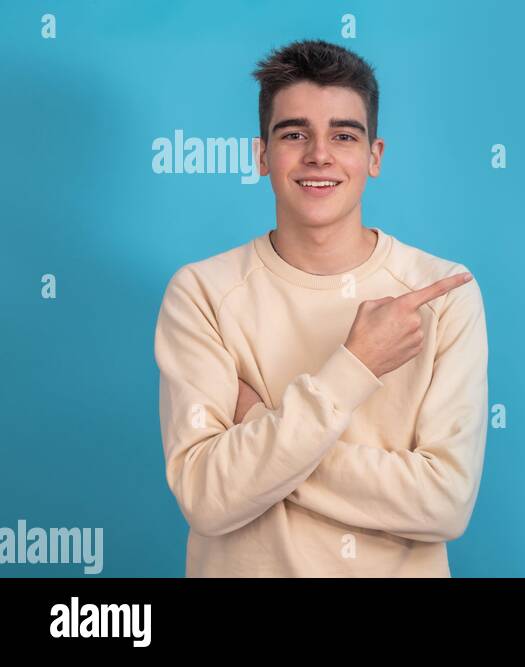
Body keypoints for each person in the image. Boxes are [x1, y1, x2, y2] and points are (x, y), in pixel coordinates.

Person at [152, 39, 488, 577]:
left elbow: (445, 502)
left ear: (373, 156)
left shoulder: (441, 294)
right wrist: (352, 370)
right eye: (294, 133)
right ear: (261, 155)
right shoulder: (202, 293)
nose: (319, 155)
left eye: (344, 135)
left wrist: (262, 427)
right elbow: (206, 497)